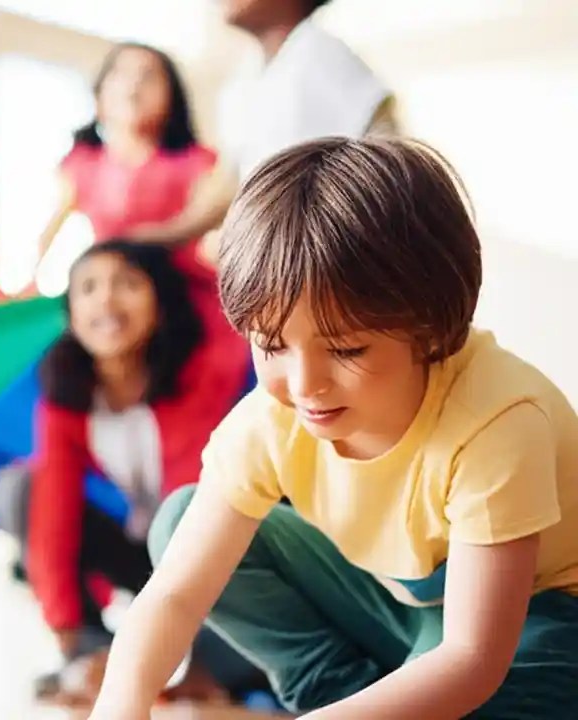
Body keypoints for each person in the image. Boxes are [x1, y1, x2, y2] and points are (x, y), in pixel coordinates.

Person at [91, 137, 578, 719]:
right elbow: (173, 593)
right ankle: (340, 697)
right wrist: (119, 706)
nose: (305, 385)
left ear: (427, 327)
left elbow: (472, 659)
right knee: (179, 525)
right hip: (403, 600)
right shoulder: (274, 417)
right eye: (271, 345)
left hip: (532, 619)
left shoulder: (496, 423)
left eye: (345, 349)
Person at [0, 241, 256, 704]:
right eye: (88, 288)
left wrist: (170, 641)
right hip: (142, 553)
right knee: (18, 488)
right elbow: (54, 515)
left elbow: (199, 517)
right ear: (70, 313)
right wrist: (66, 634)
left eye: (128, 284)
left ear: (159, 304)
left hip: (210, 554)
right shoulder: (65, 389)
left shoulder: (201, 368)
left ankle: (187, 661)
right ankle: (91, 652)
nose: (106, 301)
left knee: (190, 513)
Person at [134, 0, 395, 256]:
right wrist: (158, 237)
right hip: (276, 256)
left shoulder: (327, 58)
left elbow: (386, 168)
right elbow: (231, 187)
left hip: (327, 258)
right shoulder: (241, 82)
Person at [36, 43, 216, 272]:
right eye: (121, 73)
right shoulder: (81, 164)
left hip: (181, 290)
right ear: (99, 95)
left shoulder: (194, 162)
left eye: (148, 75)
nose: (134, 83)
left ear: (173, 99)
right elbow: (47, 236)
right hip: (113, 290)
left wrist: (162, 236)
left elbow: (213, 226)